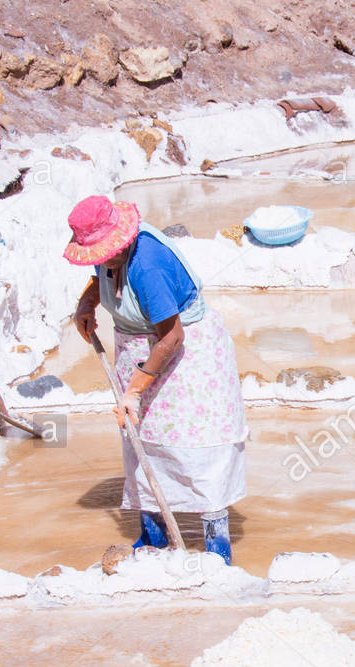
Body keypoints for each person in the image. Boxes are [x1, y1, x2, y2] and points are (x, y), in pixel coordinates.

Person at [63, 195, 248, 563]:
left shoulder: (149, 266)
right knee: (141, 440)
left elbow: (172, 337)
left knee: (199, 451)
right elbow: (100, 273)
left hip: (185, 359)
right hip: (139, 351)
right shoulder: (111, 255)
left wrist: (135, 389)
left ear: (121, 239)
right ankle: (153, 538)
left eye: (105, 253)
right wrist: (88, 302)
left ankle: (216, 551)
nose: (102, 261)